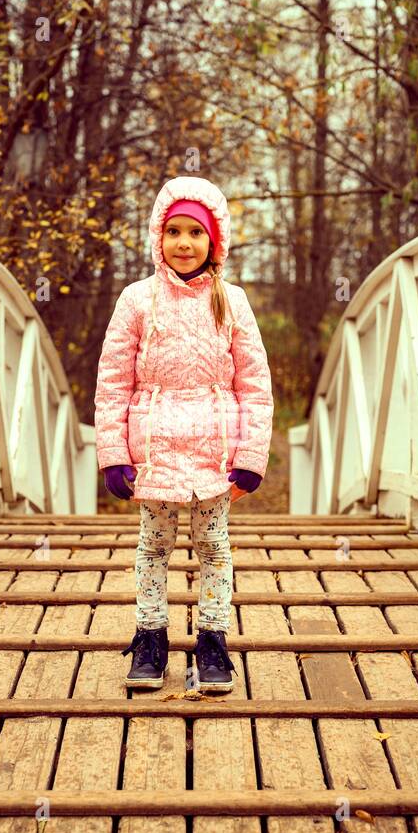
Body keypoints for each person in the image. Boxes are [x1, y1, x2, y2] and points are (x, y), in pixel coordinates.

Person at [94, 175, 274, 693]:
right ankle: (151, 638)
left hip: (214, 455)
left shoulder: (232, 302)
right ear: (158, 237)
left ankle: (213, 644)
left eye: (196, 233)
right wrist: (113, 454)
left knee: (214, 548)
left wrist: (251, 456)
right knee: (154, 546)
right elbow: (112, 381)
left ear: (213, 242)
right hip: (153, 451)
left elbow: (255, 384)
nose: (184, 243)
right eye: (173, 231)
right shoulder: (137, 300)